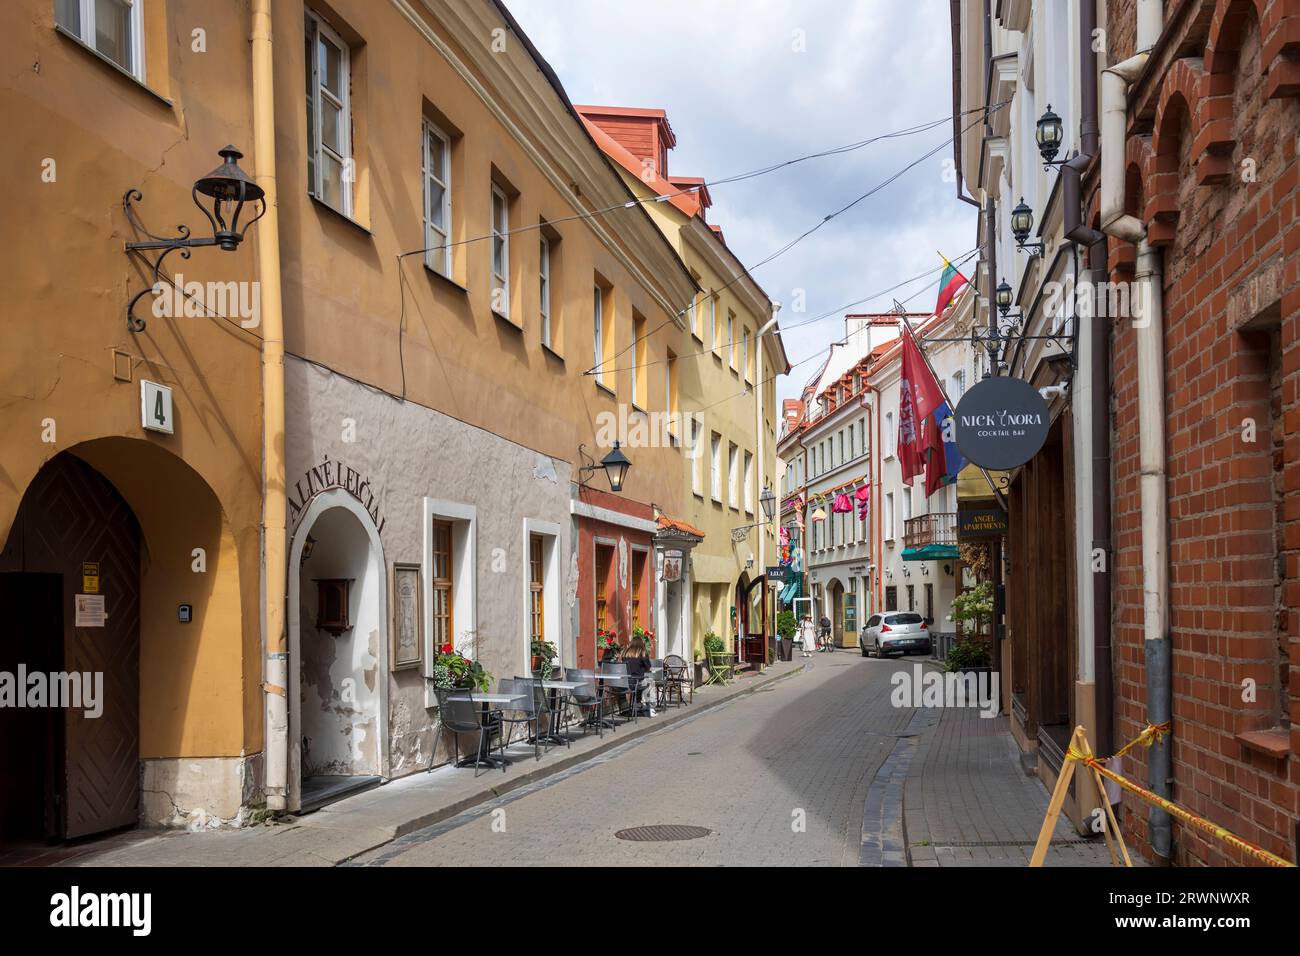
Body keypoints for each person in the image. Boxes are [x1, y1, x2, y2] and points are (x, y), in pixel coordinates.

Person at [620, 636, 656, 717]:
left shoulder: (626, 652)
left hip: (626, 683)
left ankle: (633, 706)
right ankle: (651, 708)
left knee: (642, 682)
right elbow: (648, 667)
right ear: (641, 643)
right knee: (650, 682)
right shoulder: (642, 652)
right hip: (637, 682)